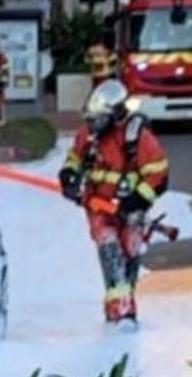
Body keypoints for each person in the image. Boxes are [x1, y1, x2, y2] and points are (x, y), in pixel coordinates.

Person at [58, 80, 170, 327]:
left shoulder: (138, 138)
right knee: (110, 252)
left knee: (129, 255)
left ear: (115, 115)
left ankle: (123, 307)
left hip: (132, 211)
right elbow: (74, 159)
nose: (92, 125)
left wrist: (136, 200)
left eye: (98, 120)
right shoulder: (87, 136)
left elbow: (159, 176)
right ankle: (121, 313)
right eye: (90, 119)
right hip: (98, 208)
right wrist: (68, 176)